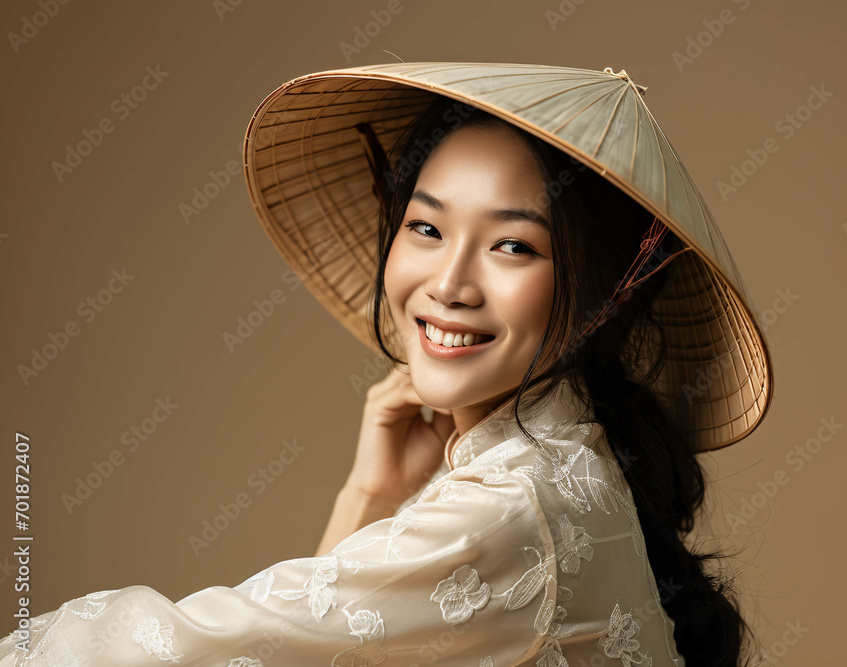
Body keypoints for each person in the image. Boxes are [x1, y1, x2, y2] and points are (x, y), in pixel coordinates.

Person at [1, 62, 774, 666]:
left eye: (513, 245)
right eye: (427, 227)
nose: (448, 284)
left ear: (605, 293)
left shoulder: (511, 511)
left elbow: (187, 649)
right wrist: (376, 488)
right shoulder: (561, 461)